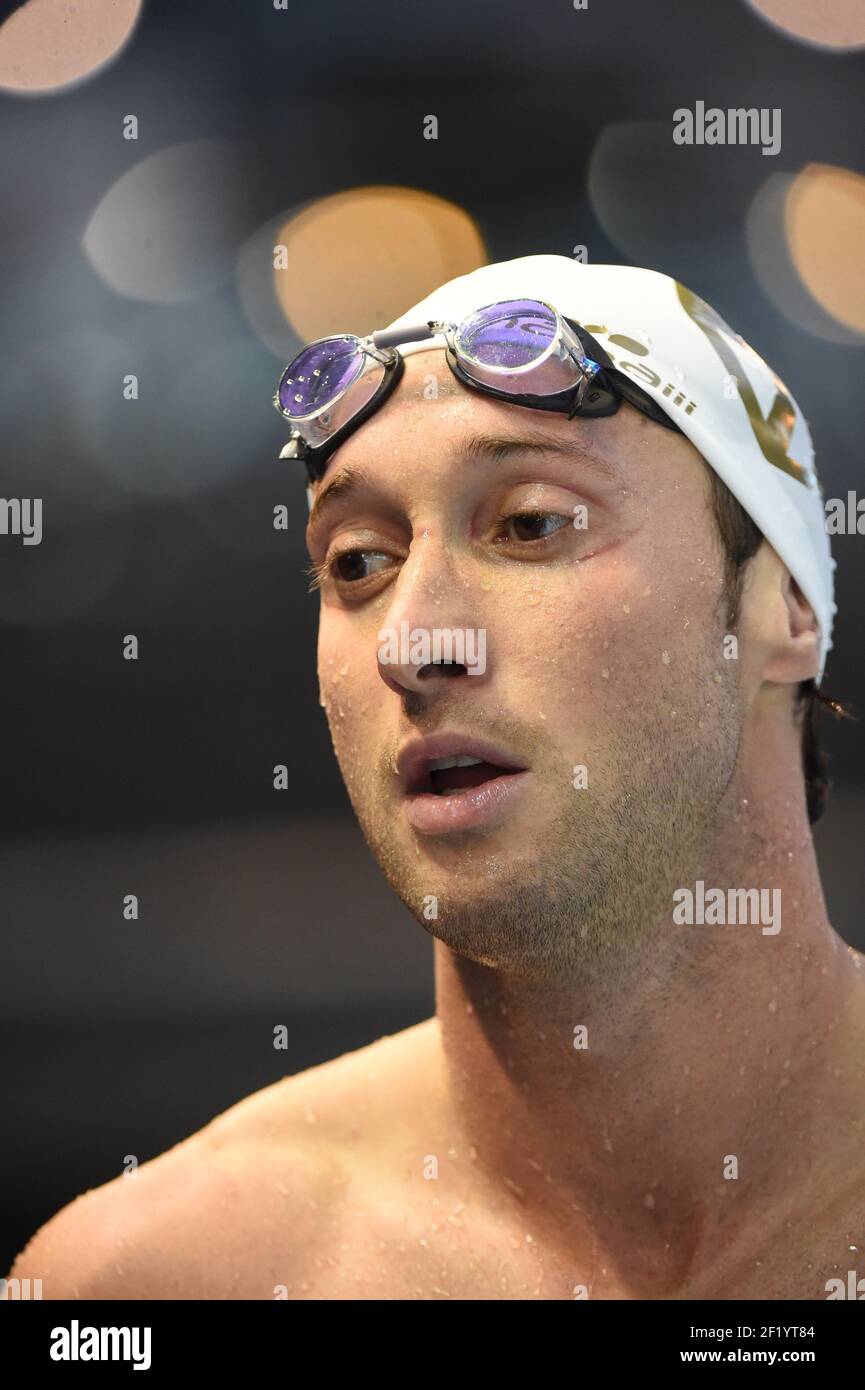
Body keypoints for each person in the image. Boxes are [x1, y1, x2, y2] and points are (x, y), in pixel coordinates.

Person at [7, 255, 864, 1301]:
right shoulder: (162, 1281)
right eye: (357, 562)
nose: (411, 642)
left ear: (784, 610)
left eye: (531, 524)